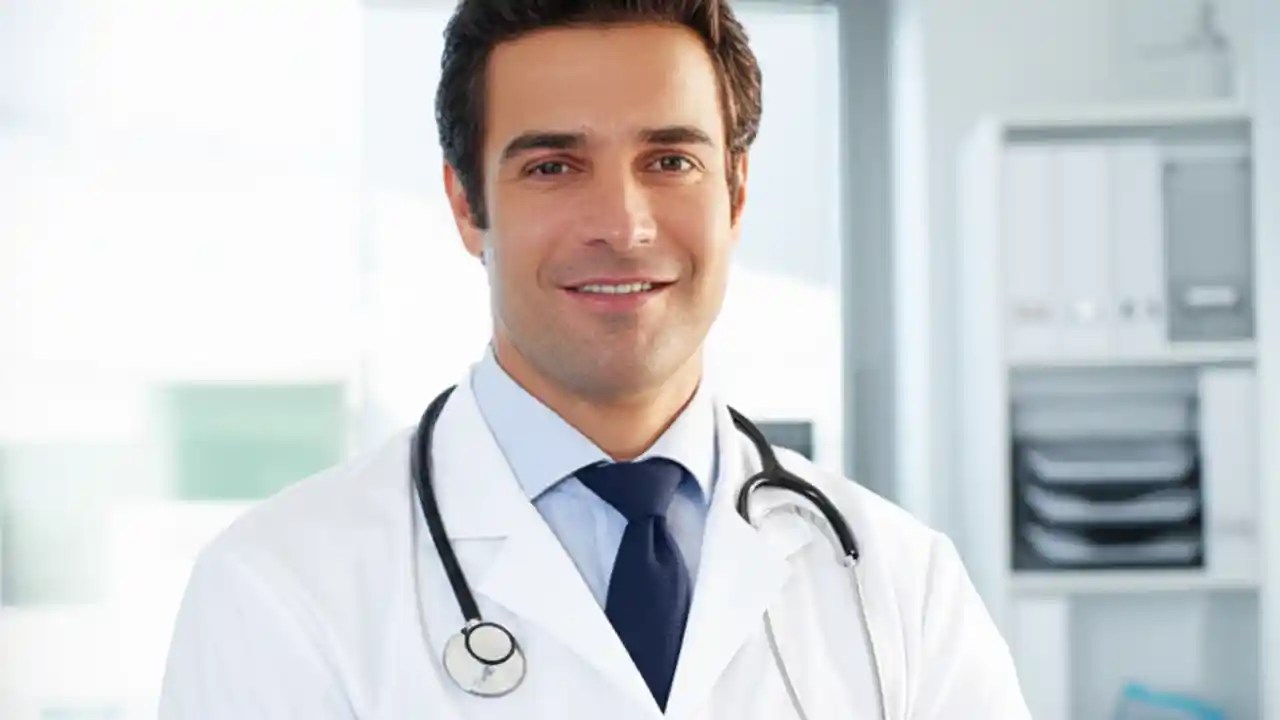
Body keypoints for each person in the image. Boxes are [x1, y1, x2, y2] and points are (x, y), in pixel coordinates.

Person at [158, 1, 1031, 718]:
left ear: (736, 192)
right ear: (467, 204)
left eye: (670, 159)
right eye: (553, 166)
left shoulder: (898, 585)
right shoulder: (279, 591)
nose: (624, 224)